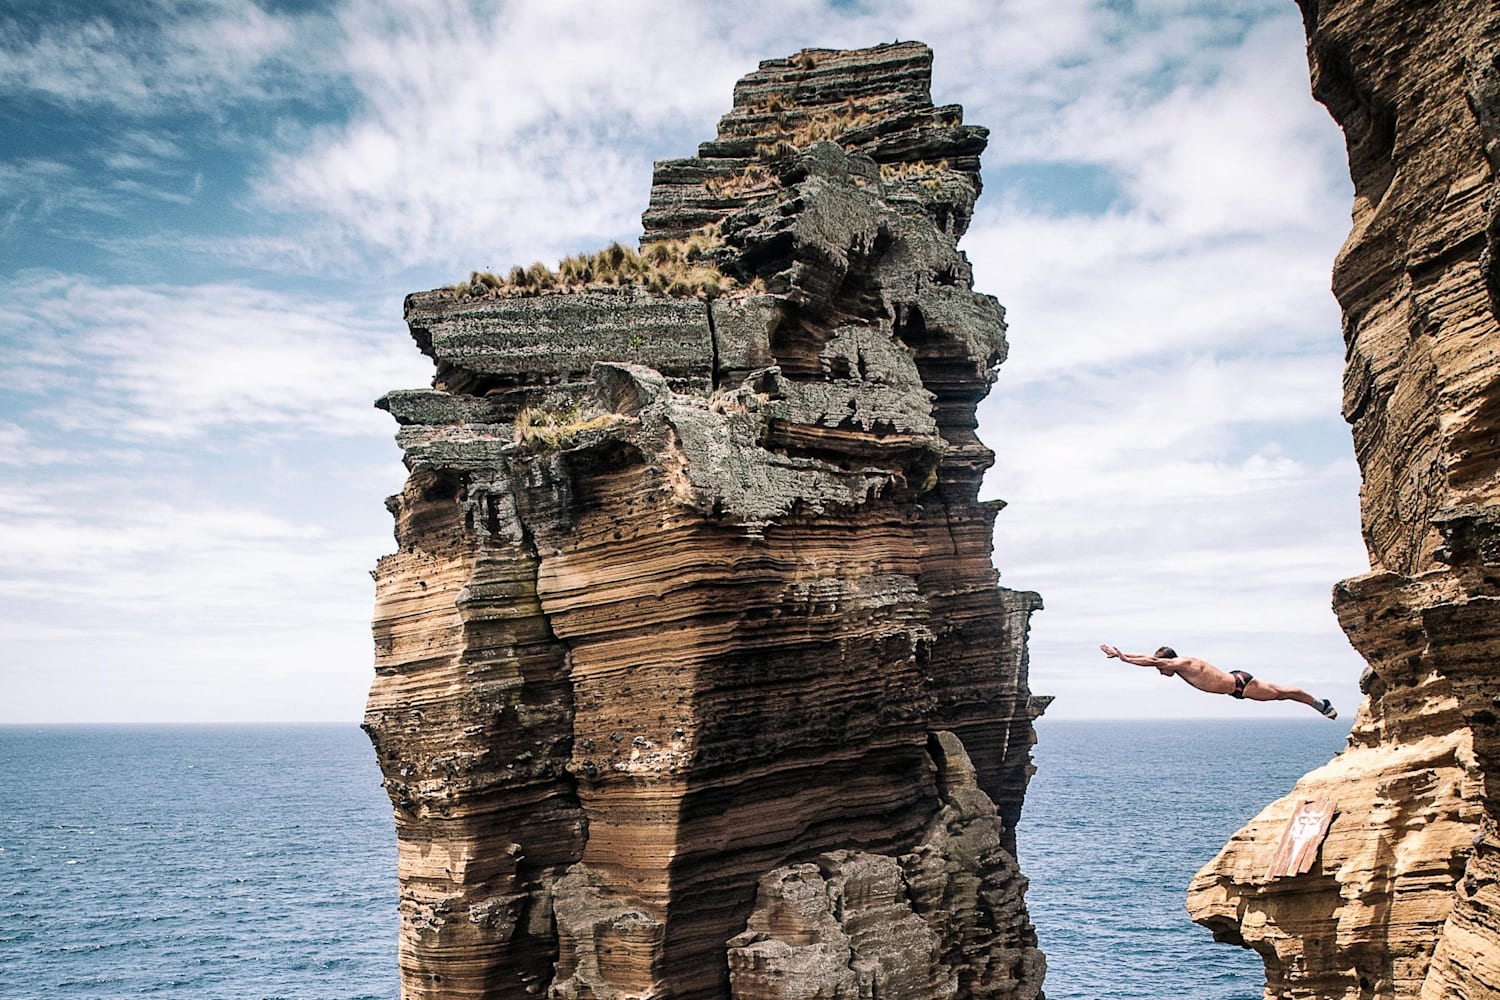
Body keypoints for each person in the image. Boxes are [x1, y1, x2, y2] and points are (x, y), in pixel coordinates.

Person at [1099, 644, 1338, 719]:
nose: (1161, 672)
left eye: (1162, 668)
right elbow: (1149, 658)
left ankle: (1319, 703)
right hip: (1235, 686)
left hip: (1240, 685)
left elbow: (1151, 662)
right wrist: (1122, 656)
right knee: (1279, 693)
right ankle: (1318, 703)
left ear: (1167, 662)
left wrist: (1123, 658)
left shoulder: (1180, 664)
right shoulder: (1180, 664)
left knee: (1281, 693)